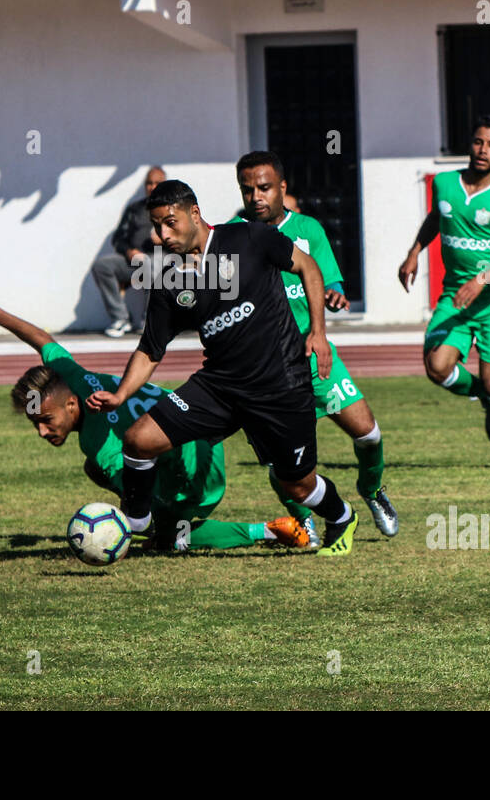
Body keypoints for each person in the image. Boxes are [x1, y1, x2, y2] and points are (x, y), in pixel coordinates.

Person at [86, 179, 362, 557]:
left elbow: (308, 267)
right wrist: (121, 395)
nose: (162, 235)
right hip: (220, 386)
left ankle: (343, 516)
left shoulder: (249, 237)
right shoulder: (169, 282)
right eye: (157, 226)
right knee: (138, 440)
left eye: (170, 223)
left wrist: (317, 331)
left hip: (280, 383)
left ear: (194, 213)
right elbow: (150, 350)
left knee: (297, 485)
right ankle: (134, 523)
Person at [0, 287, 310, 552]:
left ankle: (266, 530)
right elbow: (43, 341)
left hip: (195, 474)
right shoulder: (72, 377)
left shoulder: (99, 444)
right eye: (35, 423)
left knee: (166, 536)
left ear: (71, 405)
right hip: (198, 435)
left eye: (46, 420)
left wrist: (116, 531)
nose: (41, 431)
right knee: (99, 472)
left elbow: (134, 489)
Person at [230, 151, 395, 544]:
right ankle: (303, 519)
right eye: (248, 189)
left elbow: (329, 280)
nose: (256, 197)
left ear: (282, 187)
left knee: (368, 434)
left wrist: (335, 295)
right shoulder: (232, 235)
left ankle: (372, 489)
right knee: (281, 464)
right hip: (266, 370)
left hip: (314, 357)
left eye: (265, 188)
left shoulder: (308, 229)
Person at [398, 115, 490, 468]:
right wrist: (414, 251)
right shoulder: (444, 183)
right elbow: (435, 218)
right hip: (455, 296)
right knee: (437, 367)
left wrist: (481, 279)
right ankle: (487, 398)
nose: (483, 150)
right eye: (478, 142)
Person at [90, 165, 165, 337]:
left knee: (152, 264)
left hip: (163, 261)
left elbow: (186, 237)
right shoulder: (135, 209)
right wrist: (129, 251)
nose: (152, 187)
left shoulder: (173, 209)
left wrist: (164, 240)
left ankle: (150, 321)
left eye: (157, 183)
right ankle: (121, 319)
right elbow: (118, 238)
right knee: (102, 266)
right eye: (149, 183)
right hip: (135, 261)